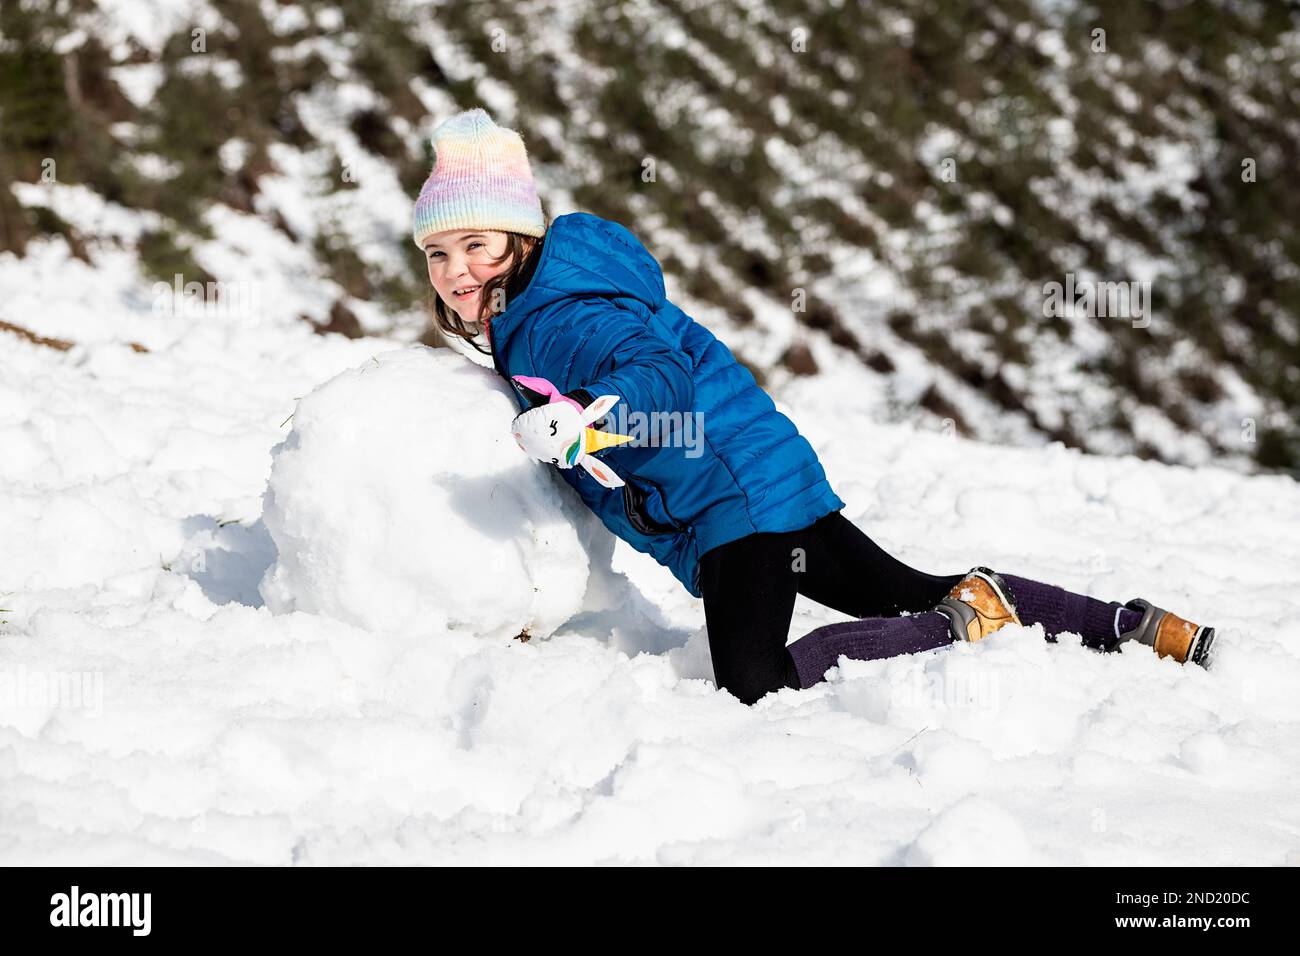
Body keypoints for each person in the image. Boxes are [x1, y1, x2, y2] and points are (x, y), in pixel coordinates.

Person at [411, 108, 1215, 706]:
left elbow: (659, 378)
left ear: (519, 240)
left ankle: (957, 626)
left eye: (478, 245)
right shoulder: (548, 300)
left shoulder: (556, 316)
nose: (457, 270)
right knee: (913, 590)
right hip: (763, 475)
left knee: (757, 690)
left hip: (740, 505)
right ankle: (1131, 627)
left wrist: (583, 415)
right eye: (440, 253)